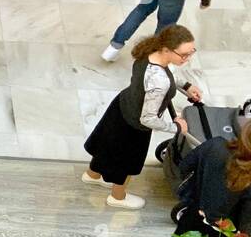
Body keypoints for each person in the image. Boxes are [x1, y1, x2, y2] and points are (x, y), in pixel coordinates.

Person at [82, 25, 201, 210]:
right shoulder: (159, 82)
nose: (187, 59)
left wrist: (185, 86)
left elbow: (164, 75)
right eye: (184, 55)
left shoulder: (150, 52)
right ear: (167, 49)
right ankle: (117, 196)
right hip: (133, 127)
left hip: (121, 107)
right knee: (127, 162)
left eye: (190, 52)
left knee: (105, 147)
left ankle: (93, 175)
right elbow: (148, 119)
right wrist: (176, 127)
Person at [164, 118, 251, 237]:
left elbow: (184, 167)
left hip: (195, 212)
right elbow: (247, 221)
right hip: (222, 232)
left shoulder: (215, 145)